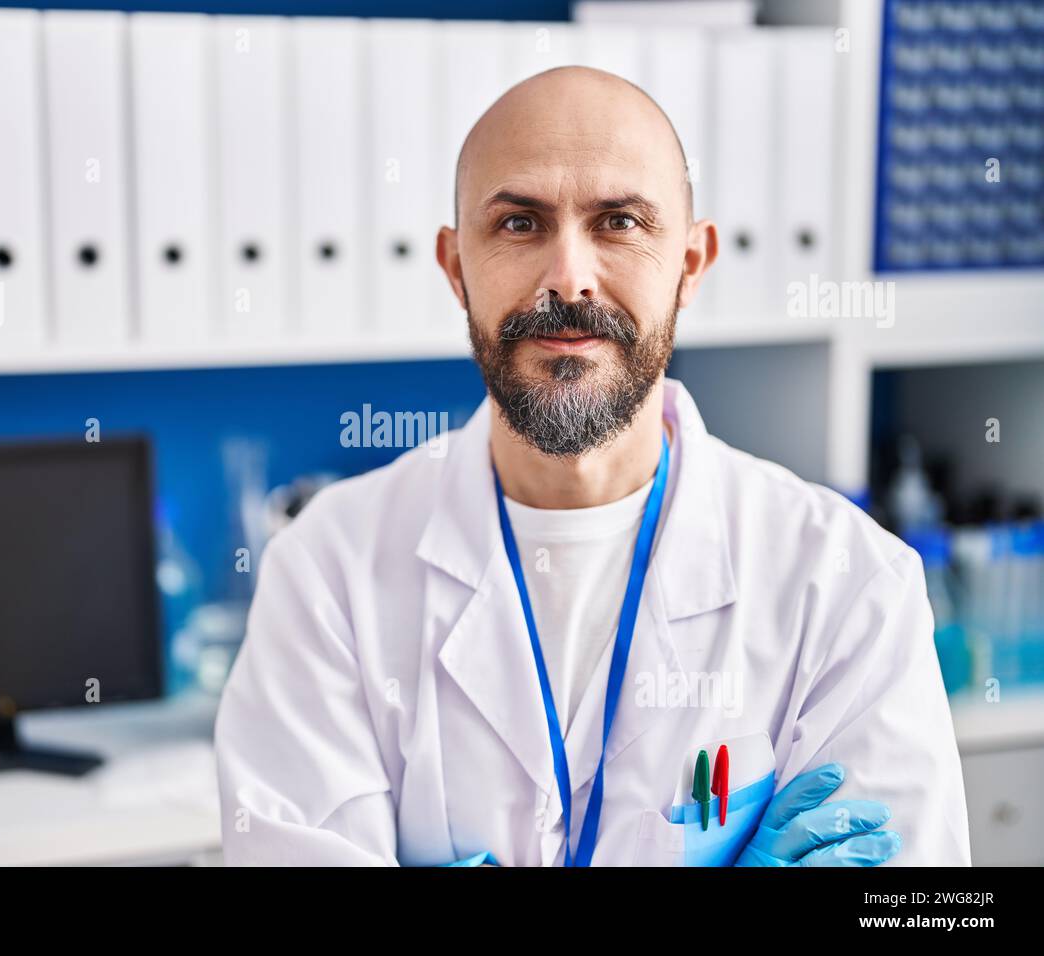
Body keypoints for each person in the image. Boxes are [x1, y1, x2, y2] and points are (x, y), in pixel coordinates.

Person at [214, 66, 971, 866]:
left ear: (690, 264)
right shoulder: (328, 572)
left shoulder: (849, 588)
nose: (568, 276)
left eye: (617, 221)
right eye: (518, 223)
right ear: (455, 267)